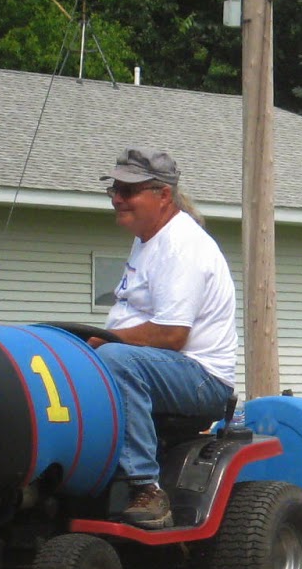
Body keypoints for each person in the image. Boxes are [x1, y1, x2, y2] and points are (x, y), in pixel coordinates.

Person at [95, 148, 238, 529]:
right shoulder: (148, 240)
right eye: (114, 189)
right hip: (166, 369)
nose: (117, 198)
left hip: (202, 377)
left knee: (112, 359)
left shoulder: (181, 244)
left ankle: (147, 488)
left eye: (128, 190)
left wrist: (103, 339)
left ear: (163, 195)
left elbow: (172, 335)